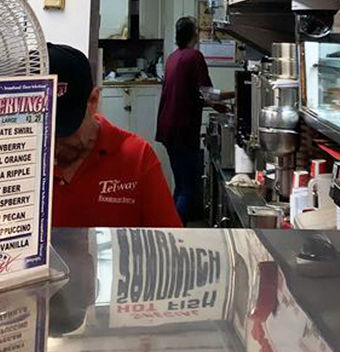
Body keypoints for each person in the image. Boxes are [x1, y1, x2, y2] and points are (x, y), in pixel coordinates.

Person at [48, 43, 181, 228]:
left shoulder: (136, 159)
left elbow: (170, 243)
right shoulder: (13, 163)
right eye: (42, 133)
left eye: (63, 130)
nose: (53, 145)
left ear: (93, 101)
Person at [156, 16, 234, 223]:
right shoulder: (194, 56)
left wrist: (215, 105)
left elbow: (191, 94)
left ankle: (168, 224)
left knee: (181, 184)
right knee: (188, 186)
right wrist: (236, 93)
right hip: (183, 130)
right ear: (194, 33)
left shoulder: (174, 57)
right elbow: (207, 93)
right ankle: (175, 231)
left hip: (168, 129)